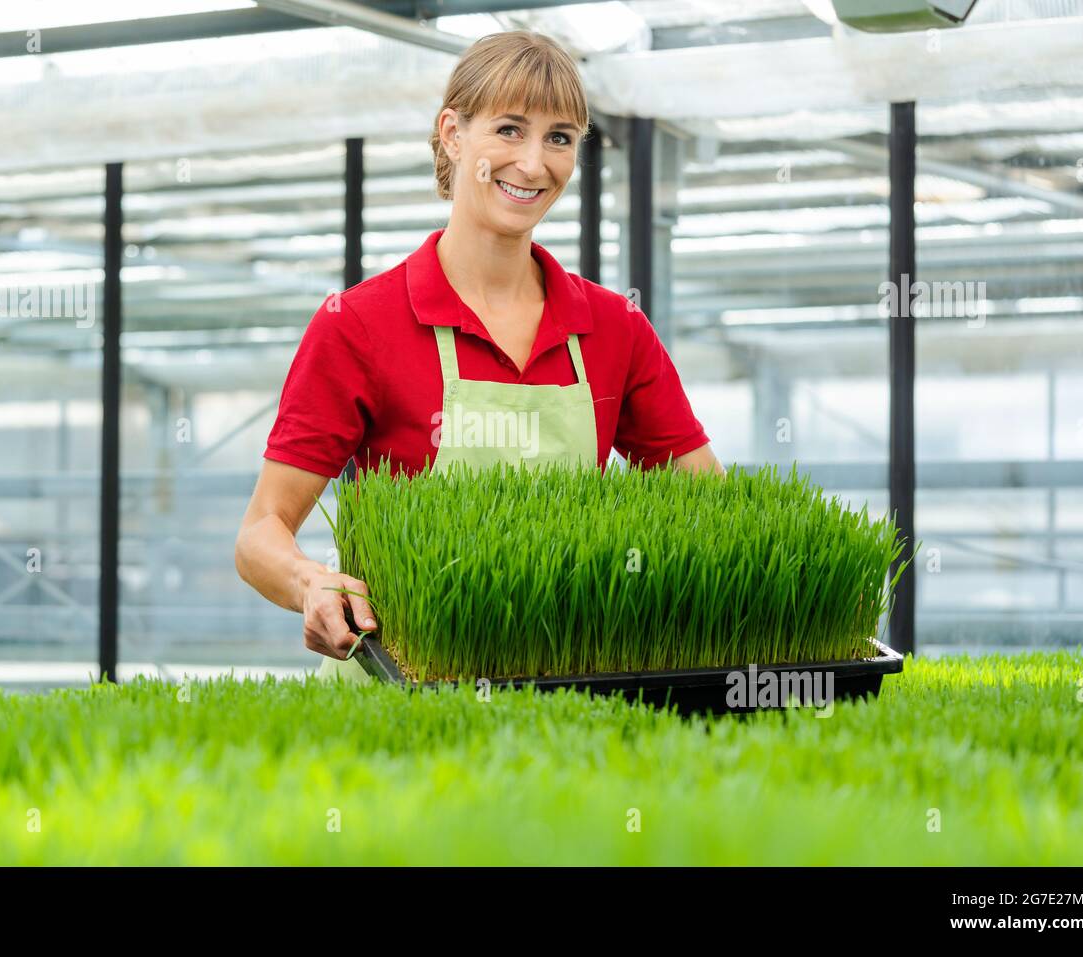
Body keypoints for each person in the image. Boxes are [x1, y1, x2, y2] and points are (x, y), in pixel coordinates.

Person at [235, 30, 725, 683]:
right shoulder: (358, 325)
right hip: (396, 702)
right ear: (452, 133)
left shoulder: (614, 328)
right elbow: (260, 531)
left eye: (559, 138)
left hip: (566, 697)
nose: (533, 163)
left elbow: (714, 510)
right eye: (509, 129)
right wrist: (312, 583)